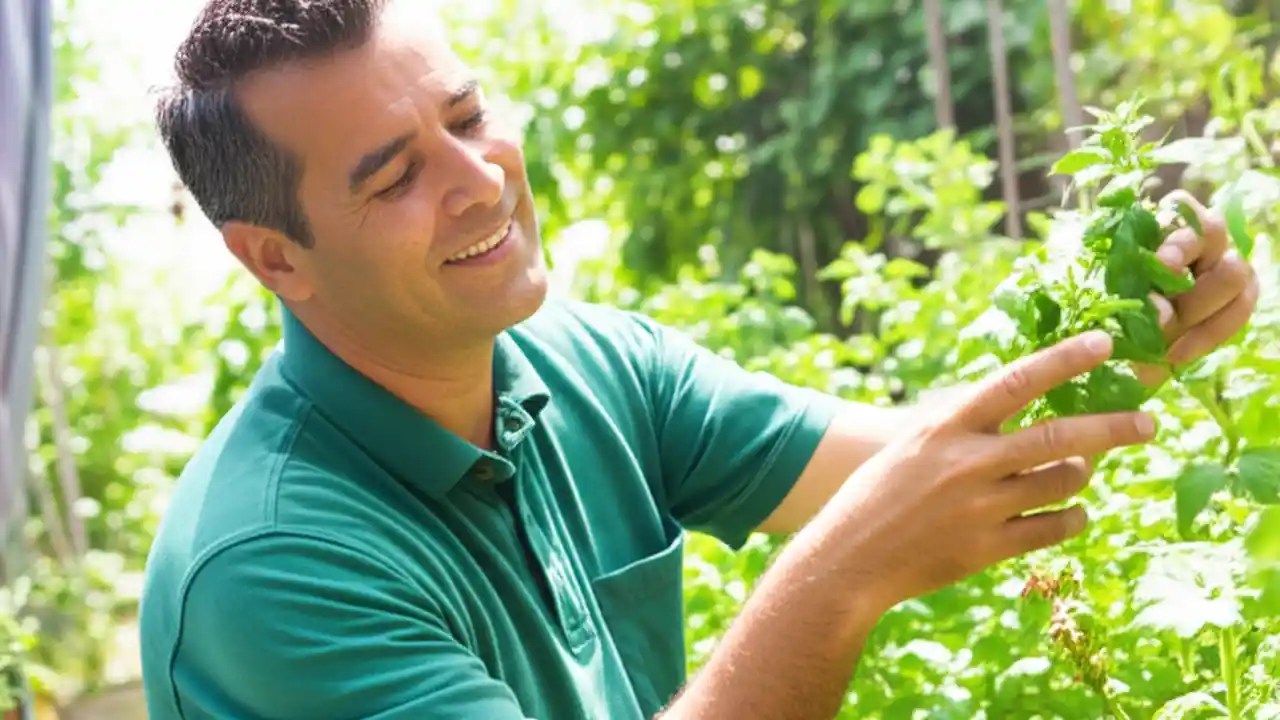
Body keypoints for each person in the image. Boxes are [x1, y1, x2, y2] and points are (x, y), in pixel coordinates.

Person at [137, 1, 1261, 718]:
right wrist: (839, 581)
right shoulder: (271, 571)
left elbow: (930, 466)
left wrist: (1132, 335)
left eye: (468, 117)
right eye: (392, 177)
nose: (478, 179)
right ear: (276, 258)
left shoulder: (581, 365)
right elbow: (871, 522)